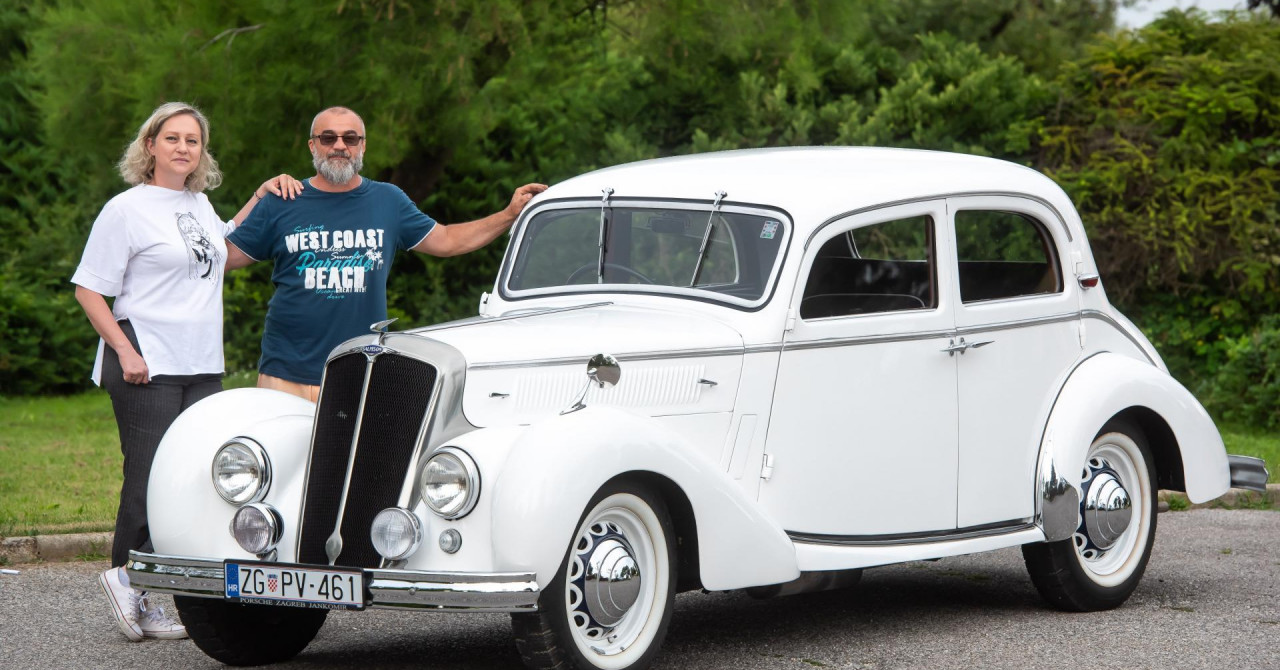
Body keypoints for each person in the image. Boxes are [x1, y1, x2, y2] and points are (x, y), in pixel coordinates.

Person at [71, 102, 302, 642]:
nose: (182, 148)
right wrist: (125, 352)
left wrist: (261, 197)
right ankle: (127, 580)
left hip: (200, 362)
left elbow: (224, 251)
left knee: (196, 478)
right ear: (149, 145)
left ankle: (155, 584)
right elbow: (89, 290)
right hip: (145, 363)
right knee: (149, 476)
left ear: (202, 151)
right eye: (171, 137)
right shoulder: (125, 209)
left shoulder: (197, 202)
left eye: (192, 140)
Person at [225, 106, 547, 400]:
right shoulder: (283, 200)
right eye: (328, 137)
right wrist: (257, 195)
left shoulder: (388, 200)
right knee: (275, 462)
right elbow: (222, 258)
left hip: (361, 370)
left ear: (362, 146)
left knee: (354, 464)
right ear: (313, 145)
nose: (340, 145)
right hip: (285, 374)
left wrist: (508, 214)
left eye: (350, 138)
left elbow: (448, 240)